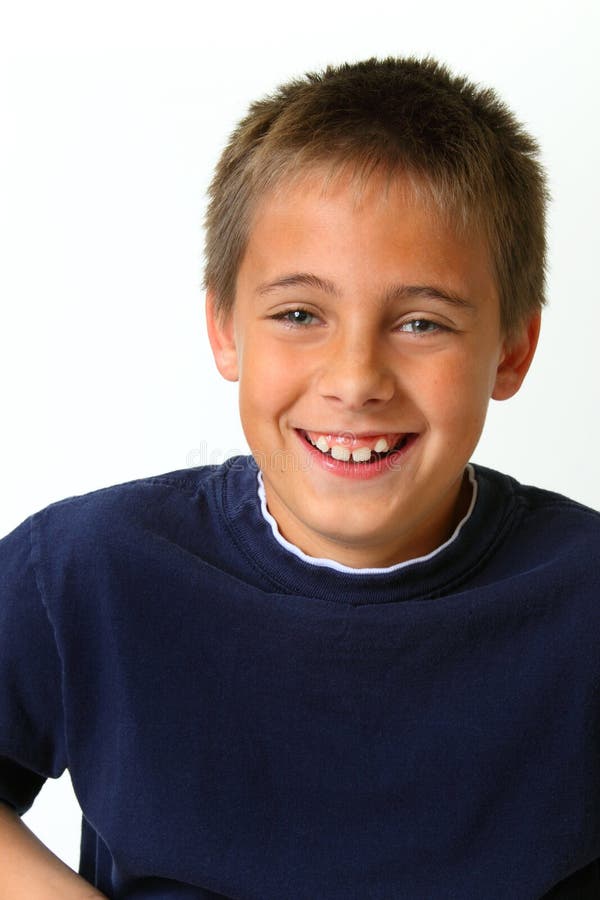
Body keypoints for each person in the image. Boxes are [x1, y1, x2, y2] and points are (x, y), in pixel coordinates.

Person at [0, 56, 598, 899]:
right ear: (225, 328)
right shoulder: (85, 567)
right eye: (299, 315)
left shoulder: (584, 596)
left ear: (512, 348)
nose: (356, 378)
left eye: (422, 322)